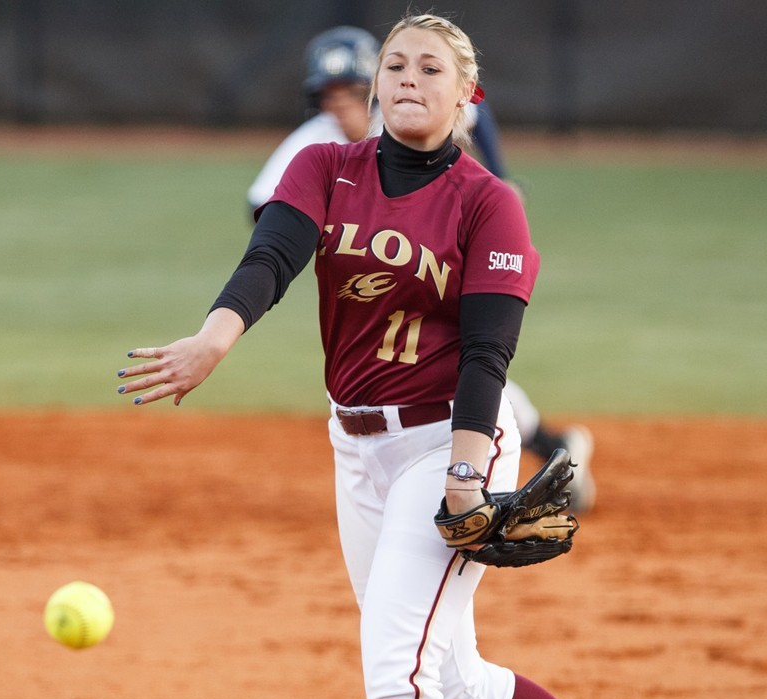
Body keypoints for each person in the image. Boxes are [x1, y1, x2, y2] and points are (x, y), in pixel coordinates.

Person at [117, 13, 687, 699]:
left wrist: (463, 474)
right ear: (377, 84)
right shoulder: (325, 164)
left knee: (395, 663)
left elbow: (488, 354)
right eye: (395, 67)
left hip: (448, 440)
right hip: (356, 448)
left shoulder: (489, 205)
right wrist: (215, 338)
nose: (408, 80)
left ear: (466, 97)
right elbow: (272, 255)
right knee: (452, 681)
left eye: (430, 69)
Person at [246, 24, 597, 513]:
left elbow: (478, 107)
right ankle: (550, 439)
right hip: (367, 303)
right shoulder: (319, 145)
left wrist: (500, 174)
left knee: (461, 360)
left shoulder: (413, 115)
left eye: (348, 90)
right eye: (328, 95)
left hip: (443, 289)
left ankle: (546, 442)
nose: (340, 104)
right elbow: (264, 210)